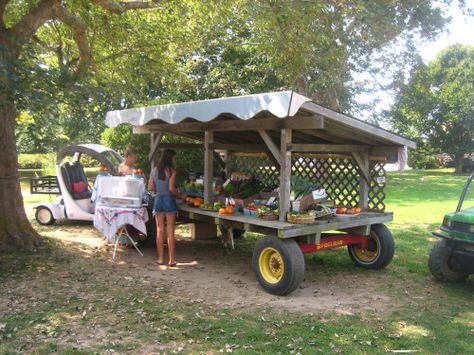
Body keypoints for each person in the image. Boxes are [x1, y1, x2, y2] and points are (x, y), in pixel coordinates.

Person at [148, 149, 186, 267]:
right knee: (170, 231)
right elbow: (171, 188)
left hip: (158, 200)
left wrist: (158, 189)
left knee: (159, 230)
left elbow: (150, 187)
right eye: (174, 158)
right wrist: (180, 195)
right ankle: (171, 260)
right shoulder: (171, 170)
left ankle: (160, 259)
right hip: (169, 200)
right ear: (170, 158)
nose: (175, 160)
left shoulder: (154, 170)